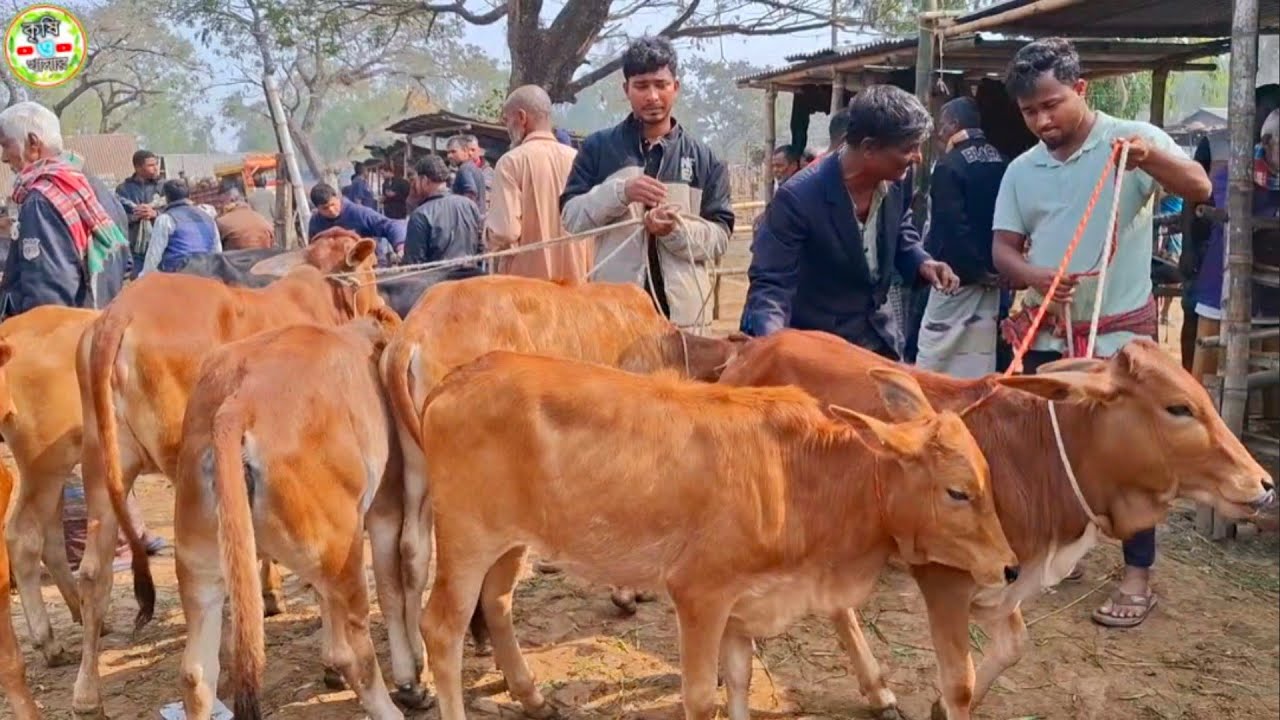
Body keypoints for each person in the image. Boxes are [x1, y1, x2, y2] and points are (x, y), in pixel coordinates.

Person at [991, 38, 1212, 628]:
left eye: (1052, 105)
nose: (1042, 121)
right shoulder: (1021, 170)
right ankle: (1057, 550)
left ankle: (1138, 574)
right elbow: (1003, 251)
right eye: (1029, 112)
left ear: (1081, 90)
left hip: (1119, 342)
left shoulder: (1130, 140)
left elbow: (1198, 187)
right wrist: (1038, 276)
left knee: (1133, 454)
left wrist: (1147, 159)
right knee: (1045, 448)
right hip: (1050, 332)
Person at [0, 101, 164, 562]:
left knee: (63, 446)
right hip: (109, 326)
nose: (5, 157)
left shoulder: (39, 197)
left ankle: (86, 544)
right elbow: (123, 259)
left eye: (7, 146)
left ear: (33, 144)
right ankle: (133, 532)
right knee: (107, 437)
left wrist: (29, 349)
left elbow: (44, 292)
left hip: (65, 342)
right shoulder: (95, 187)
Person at [739, 86, 959, 357]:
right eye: (909, 148)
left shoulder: (898, 180)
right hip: (819, 352)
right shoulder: (796, 198)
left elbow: (900, 230)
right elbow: (772, 285)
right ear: (868, 148)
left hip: (878, 340)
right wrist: (775, 349)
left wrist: (922, 261)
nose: (918, 157)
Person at [561, 35, 734, 333]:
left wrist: (675, 230)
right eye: (641, 86)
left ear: (675, 88)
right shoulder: (598, 148)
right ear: (626, 89)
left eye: (661, 84)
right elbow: (571, 219)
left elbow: (719, 237)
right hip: (614, 317)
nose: (652, 96)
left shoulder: (705, 159)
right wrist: (620, 192)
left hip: (684, 321)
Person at [914, 96, 1010, 378]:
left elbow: (952, 228)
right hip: (994, 277)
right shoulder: (1003, 162)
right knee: (979, 354)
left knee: (933, 351)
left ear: (955, 124)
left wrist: (975, 271)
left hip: (954, 279)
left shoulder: (949, 165)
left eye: (942, 124)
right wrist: (992, 270)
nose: (939, 132)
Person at [487, 85, 594, 282]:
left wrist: (487, 235)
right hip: (578, 289)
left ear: (521, 117)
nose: (507, 127)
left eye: (507, 120)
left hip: (528, 295)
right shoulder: (579, 159)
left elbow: (506, 232)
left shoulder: (511, 162)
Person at [402, 155, 482, 266]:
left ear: (424, 180)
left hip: (437, 280)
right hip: (471, 277)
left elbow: (414, 263)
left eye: (415, 181)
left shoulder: (421, 215)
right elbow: (481, 247)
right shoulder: (469, 205)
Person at [139, 179, 222, 276]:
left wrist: (143, 277)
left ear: (166, 199)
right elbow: (217, 252)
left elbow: (153, 257)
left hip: (178, 275)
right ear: (189, 196)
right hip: (207, 271)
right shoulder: (208, 218)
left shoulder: (165, 219)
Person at [308, 182, 406, 261]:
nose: (331, 210)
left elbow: (391, 225)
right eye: (325, 208)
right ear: (317, 209)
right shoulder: (315, 223)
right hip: (336, 272)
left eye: (333, 204)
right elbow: (312, 249)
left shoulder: (358, 213)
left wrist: (400, 247)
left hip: (370, 267)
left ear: (337, 198)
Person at [115, 149, 162, 277]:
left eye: (156, 164)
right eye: (151, 165)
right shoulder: (123, 190)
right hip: (135, 248)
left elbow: (172, 212)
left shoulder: (163, 187)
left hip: (160, 245)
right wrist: (136, 216)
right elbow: (118, 217)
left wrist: (155, 214)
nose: (156, 168)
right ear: (138, 168)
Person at [446, 135, 487, 211]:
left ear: (465, 150)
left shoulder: (465, 169)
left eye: (453, 151)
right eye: (448, 152)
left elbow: (471, 193)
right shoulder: (474, 168)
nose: (449, 156)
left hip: (469, 219)